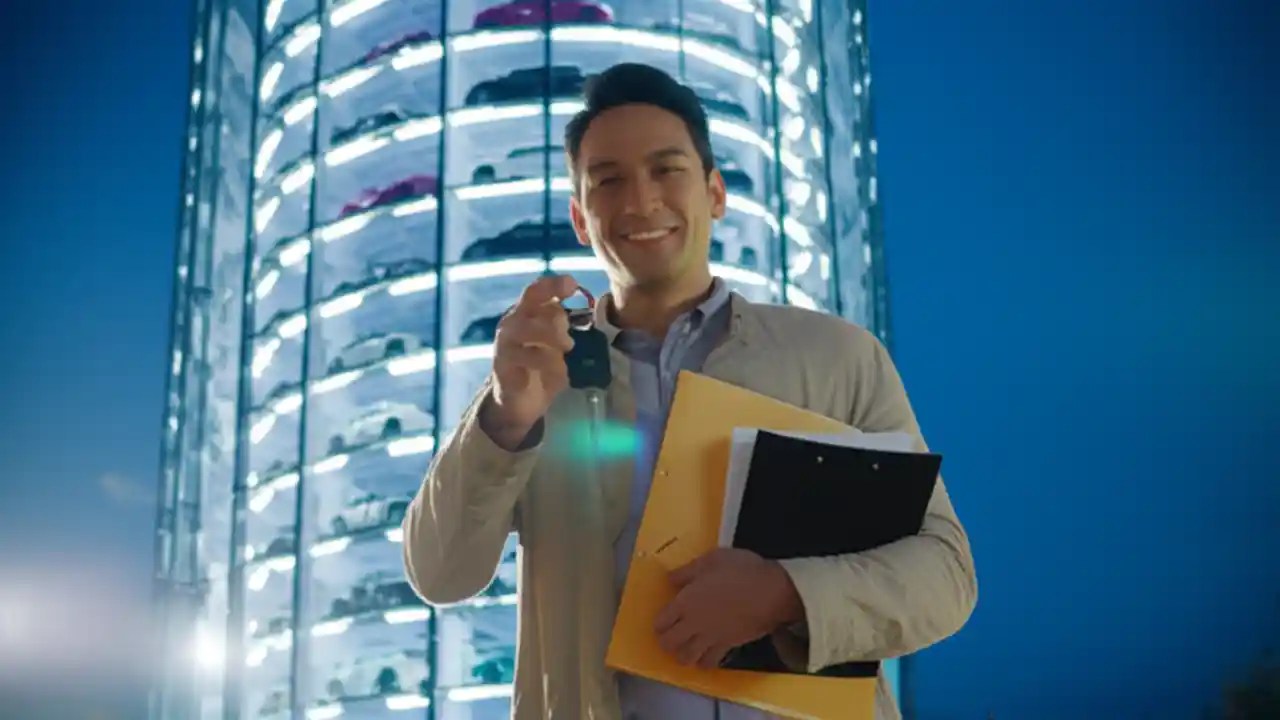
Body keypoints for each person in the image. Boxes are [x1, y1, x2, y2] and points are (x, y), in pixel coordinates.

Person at [402, 62, 978, 720]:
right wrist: (505, 416)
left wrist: (785, 593)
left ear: (716, 193)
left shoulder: (836, 358)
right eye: (608, 181)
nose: (639, 201)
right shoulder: (537, 379)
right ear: (581, 220)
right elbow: (440, 573)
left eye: (666, 169)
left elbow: (945, 575)